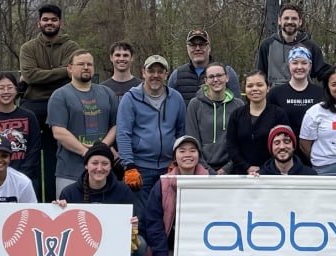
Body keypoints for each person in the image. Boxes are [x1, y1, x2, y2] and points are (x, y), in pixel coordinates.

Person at [54, 142, 148, 256]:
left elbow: (132, 225)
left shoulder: (123, 191)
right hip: (80, 244)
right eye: (94, 163)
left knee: (139, 244)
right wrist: (57, 209)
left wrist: (133, 224)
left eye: (105, 163)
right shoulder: (69, 193)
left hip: (112, 242)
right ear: (86, 165)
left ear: (111, 167)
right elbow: (60, 231)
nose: (99, 168)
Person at [143, 135, 215, 256]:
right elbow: (153, 222)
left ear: (198, 155)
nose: (187, 155)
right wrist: (160, 255)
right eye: (182, 151)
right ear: (175, 157)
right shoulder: (163, 183)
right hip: (172, 246)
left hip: (203, 246)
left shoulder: (211, 180)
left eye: (192, 150)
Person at [248, 125, 316, 256]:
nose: (282, 146)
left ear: (293, 146)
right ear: (271, 148)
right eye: (276, 143)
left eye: (287, 142)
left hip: (300, 226)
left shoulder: (310, 174)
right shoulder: (261, 176)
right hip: (272, 229)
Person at [19, 4, 79, 199]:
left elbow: (74, 74)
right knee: (30, 157)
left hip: (63, 101)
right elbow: (30, 76)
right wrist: (63, 71)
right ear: (39, 23)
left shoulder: (72, 47)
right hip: (33, 104)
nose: (49, 23)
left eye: (53, 19)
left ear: (60, 23)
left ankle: (60, 198)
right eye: (45, 19)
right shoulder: (28, 48)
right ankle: (30, 200)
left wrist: (42, 75)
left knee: (59, 155)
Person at [116, 54, 188, 201]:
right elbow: (123, 134)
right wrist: (129, 166)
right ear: (143, 72)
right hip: (139, 169)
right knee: (140, 218)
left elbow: (181, 133)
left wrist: (176, 161)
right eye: (151, 71)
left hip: (168, 168)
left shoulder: (176, 98)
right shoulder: (130, 99)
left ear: (166, 74)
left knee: (167, 216)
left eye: (160, 72)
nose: (155, 75)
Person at [48, 50, 119, 198]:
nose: (86, 67)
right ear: (70, 68)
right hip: (70, 172)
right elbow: (59, 131)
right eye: (81, 64)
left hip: (103, 172)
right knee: (68, 218)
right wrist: (86, 152)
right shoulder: (60, 95)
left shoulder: (107, 93)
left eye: (89, 64)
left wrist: (102, 147)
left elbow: (116, 125)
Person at [186, 61, 244, 174]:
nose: (216, 80)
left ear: (227, 77)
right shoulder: (195, 105)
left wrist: (227, 168)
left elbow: (242, 142)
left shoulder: (239, 105)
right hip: (202, 169)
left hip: (232, 169)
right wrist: (206, 169)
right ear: (206, 81)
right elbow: (192, 140)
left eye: (219, 75)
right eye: (211, 77)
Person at [226, 71, 286, 174]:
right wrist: (247, 167)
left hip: (271, 173)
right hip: (241, 173)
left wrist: (264, 169)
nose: (254, 89)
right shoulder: (236, 115)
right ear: (245, 89)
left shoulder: (279, 114)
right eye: (250, 86)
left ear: (268, 87)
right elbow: (232, 146)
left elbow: (284, 145)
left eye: (259, 85)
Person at [254, 3, 328, 84]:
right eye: (286, 18)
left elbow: (322, 72)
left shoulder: (310, 46)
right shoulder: (267, 45)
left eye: (294, 19)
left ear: (300, 22)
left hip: (302, 94)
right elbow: (260, 75)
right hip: (275, 94)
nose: (290, 22)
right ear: (279, 20)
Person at [170, 29, 239, 103]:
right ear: (187, 48)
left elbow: (238, 107)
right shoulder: (176, 75)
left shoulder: (226, 72)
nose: (197, 48)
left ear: (209, 47)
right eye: (193, 45)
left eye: (202, 44)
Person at [269, 47, 326, 134]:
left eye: (304, 63)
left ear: (310, 66)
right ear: (289, 65)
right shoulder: (275, 94)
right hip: (285, 145)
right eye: (295, 63)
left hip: (313, 146)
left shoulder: (321, 93)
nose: (299, 67)